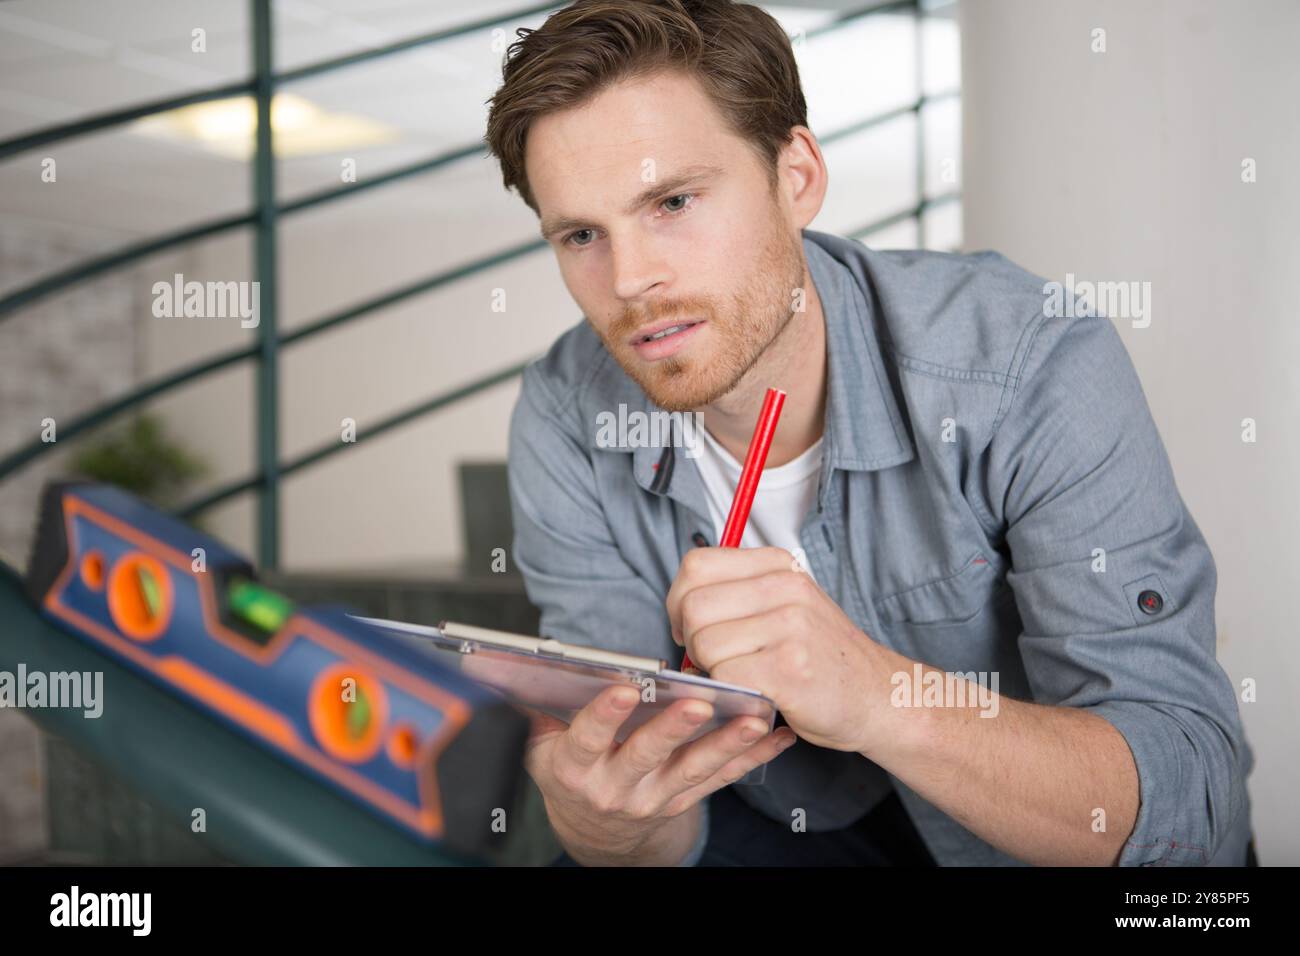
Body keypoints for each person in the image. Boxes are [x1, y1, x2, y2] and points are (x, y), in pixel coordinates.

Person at [483, 0, 1254, 866]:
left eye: (672, 201)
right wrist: (609, 819)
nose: (631, 281)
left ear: (797, 177)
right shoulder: (565, 409)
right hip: (788, 823)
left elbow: (1192, 809)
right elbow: (653, 819)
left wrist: (877, 694)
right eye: (582, 233)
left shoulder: (1029, 360)